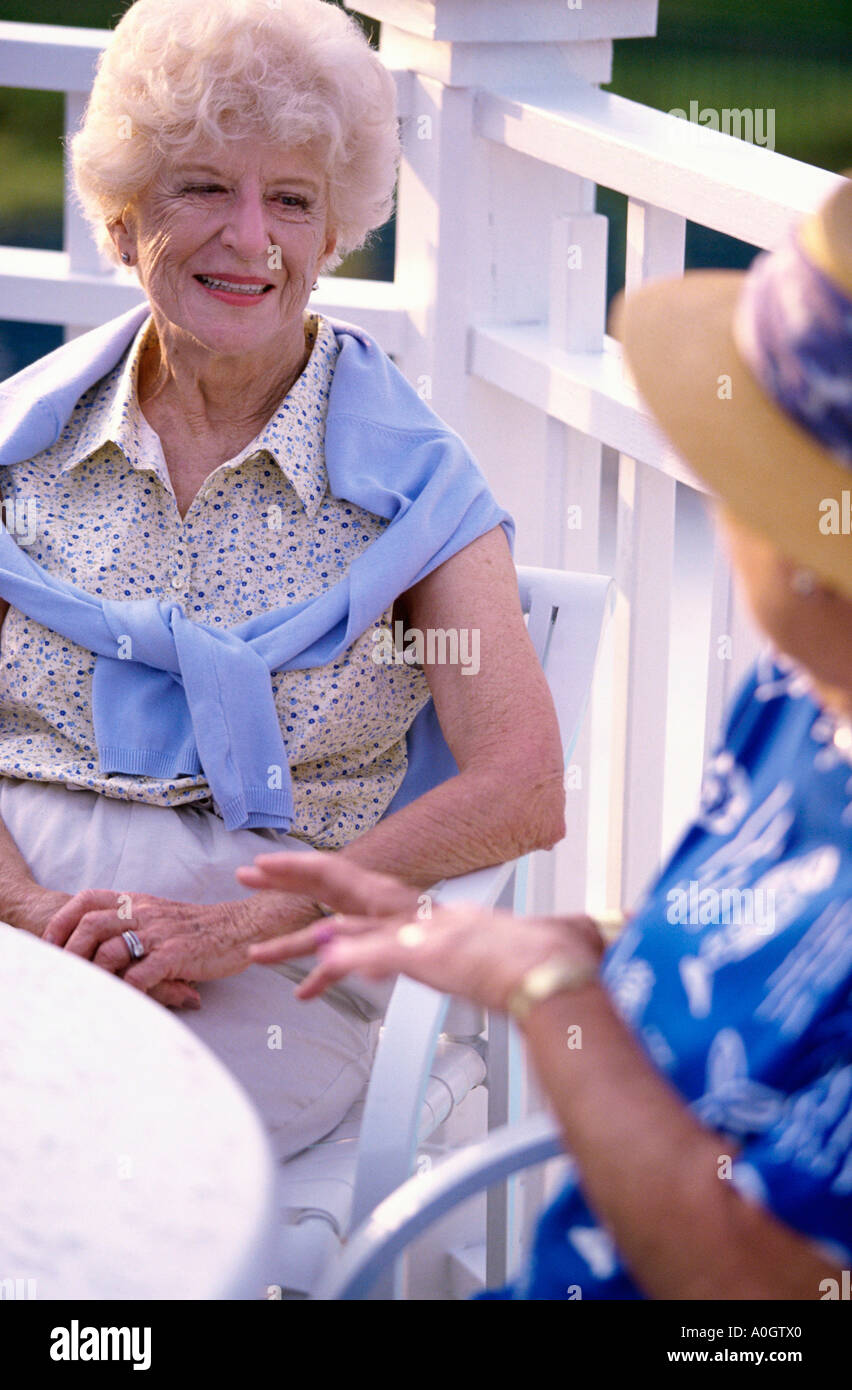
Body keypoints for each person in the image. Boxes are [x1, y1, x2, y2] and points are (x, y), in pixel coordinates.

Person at [241, 177, 852, 1295]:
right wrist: (561, 945)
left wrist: (545, 991)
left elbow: (763, 1300)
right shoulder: (806, 698)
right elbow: (764, 965)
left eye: (742, 465)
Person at [0, 0, 564, 1163]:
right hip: (19, 927)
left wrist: (251, 920)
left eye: (292, 199)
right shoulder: (26, 448)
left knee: (114, 1164)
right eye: (202, 187)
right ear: (122, 219)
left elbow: (521, 784)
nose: (250, 238)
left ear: (335, 228)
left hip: (271, 966)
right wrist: (30, 913)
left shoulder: (410, 488)